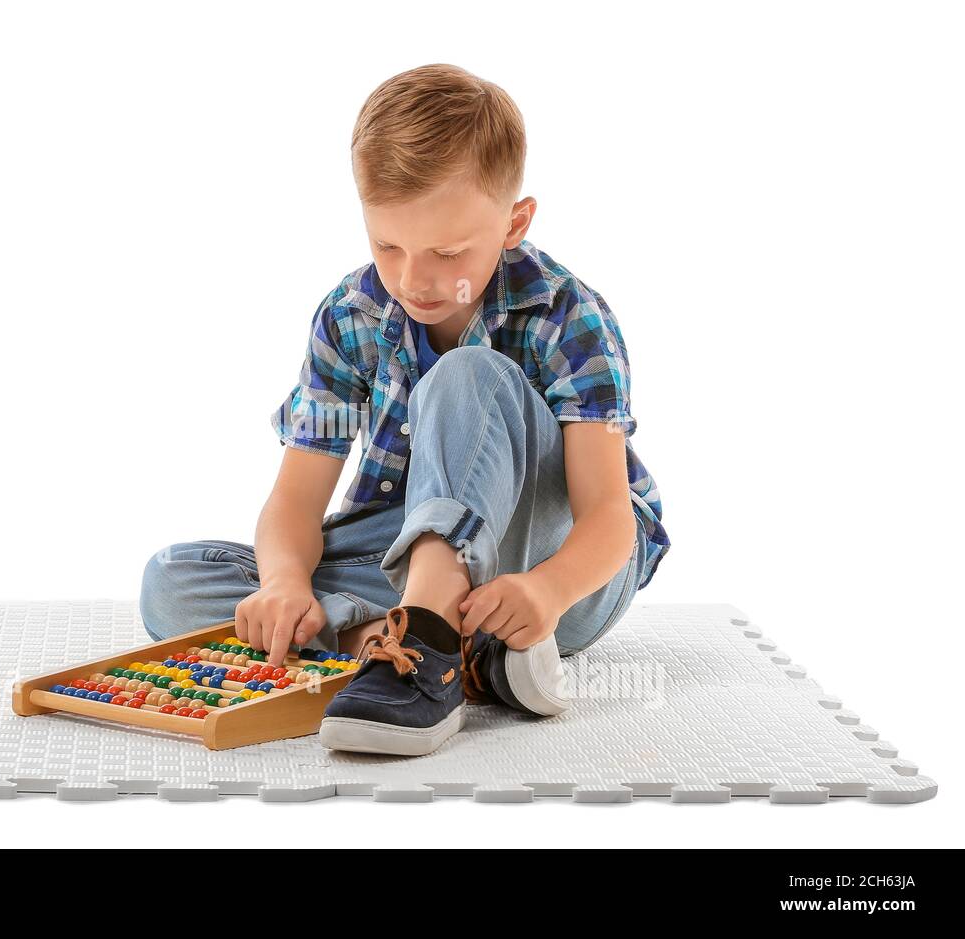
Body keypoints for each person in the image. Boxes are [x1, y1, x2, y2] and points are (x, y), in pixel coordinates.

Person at [139, 63, 670, 756]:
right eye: (387, 245)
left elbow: (610, 518)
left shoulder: (568, 317)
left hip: (559, 561)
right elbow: (296, 501)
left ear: (515, 222)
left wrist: (545, 590)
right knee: (172, 584)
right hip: (404, 545)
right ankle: (432, 651)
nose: (413, 280)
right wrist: (282, 584)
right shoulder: (353, 315)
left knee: (468, 373)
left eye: (447, 251)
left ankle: (423, 639)